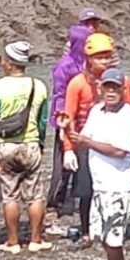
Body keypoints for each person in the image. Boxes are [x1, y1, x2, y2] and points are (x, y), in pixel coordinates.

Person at [72, 68, 130, 260]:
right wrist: (71, 133)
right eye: (107, 87)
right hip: (101, 183)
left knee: (113, 234)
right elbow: (85, 137)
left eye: (116, 88)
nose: (111, 92)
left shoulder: (127, 114)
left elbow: (120, 151)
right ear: (100, 88)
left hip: (120, 184)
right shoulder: (96, 110)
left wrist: (87, 142)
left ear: (123, 90)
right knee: (103, 232)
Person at [62, 33, 125, 244]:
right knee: (86, 189)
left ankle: (112, 225)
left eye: (107, 56)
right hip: (85, 143)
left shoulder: (122, 82)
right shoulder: (77, 84)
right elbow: (69, 117)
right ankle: (86, 229)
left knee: (113, 187)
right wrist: (68, 148)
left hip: (112, 142)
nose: (104, 61)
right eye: (99, 57)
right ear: (89, 58)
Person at [0, 41, 50, 253]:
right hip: (31, 143)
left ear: (8, 63)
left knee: (10, 195)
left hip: (5, 145)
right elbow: (43, 120)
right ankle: (36, 239)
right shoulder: (39, 86)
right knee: (35, 195)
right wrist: (40, 143)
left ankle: (13, 241)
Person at [46, 15, 95, 218]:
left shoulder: (88, 64)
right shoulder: (65, 66)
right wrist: (61, 122)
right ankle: (54, 201)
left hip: (87, 119)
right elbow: (58, 94)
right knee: (62, 163)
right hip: (66, 118)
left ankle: (79, 196)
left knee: (85, 159)